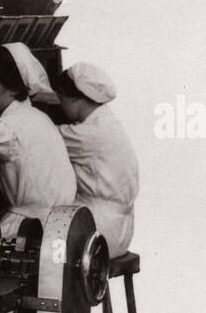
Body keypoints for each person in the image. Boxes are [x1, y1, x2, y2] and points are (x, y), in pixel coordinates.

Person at [0, 43, 78, 236]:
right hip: (63, 225)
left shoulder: (10, 128)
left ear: (13, 89)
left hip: (31, 228)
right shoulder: (38, 116)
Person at [52, 62, 140, 256]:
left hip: (99, 228)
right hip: (119, 228)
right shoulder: (106, 121)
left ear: (76, 99)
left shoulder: (90, 134)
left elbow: (47, 137)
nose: (59, 104)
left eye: (61, 98)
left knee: (37, 237)